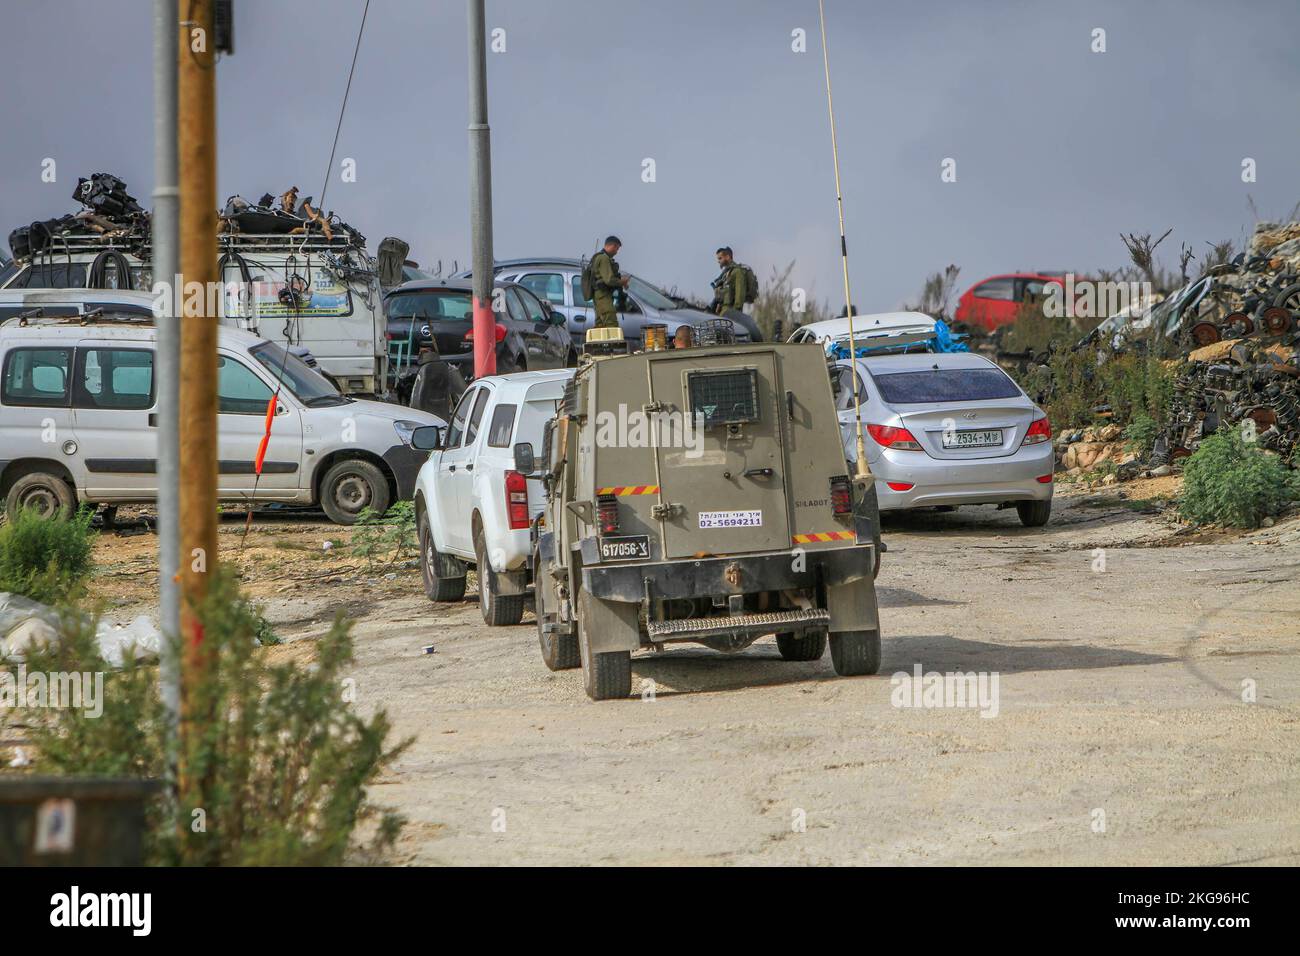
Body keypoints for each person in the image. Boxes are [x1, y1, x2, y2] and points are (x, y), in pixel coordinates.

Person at [590, 235, 630, 329]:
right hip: (603, 296)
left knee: (600, 326)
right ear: (612, 246)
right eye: (616, 249)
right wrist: (622, 282)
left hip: (600, 296)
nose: (616, 252)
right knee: (611, 325)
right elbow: (609, 280)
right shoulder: (604, 258)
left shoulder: (600, 257)